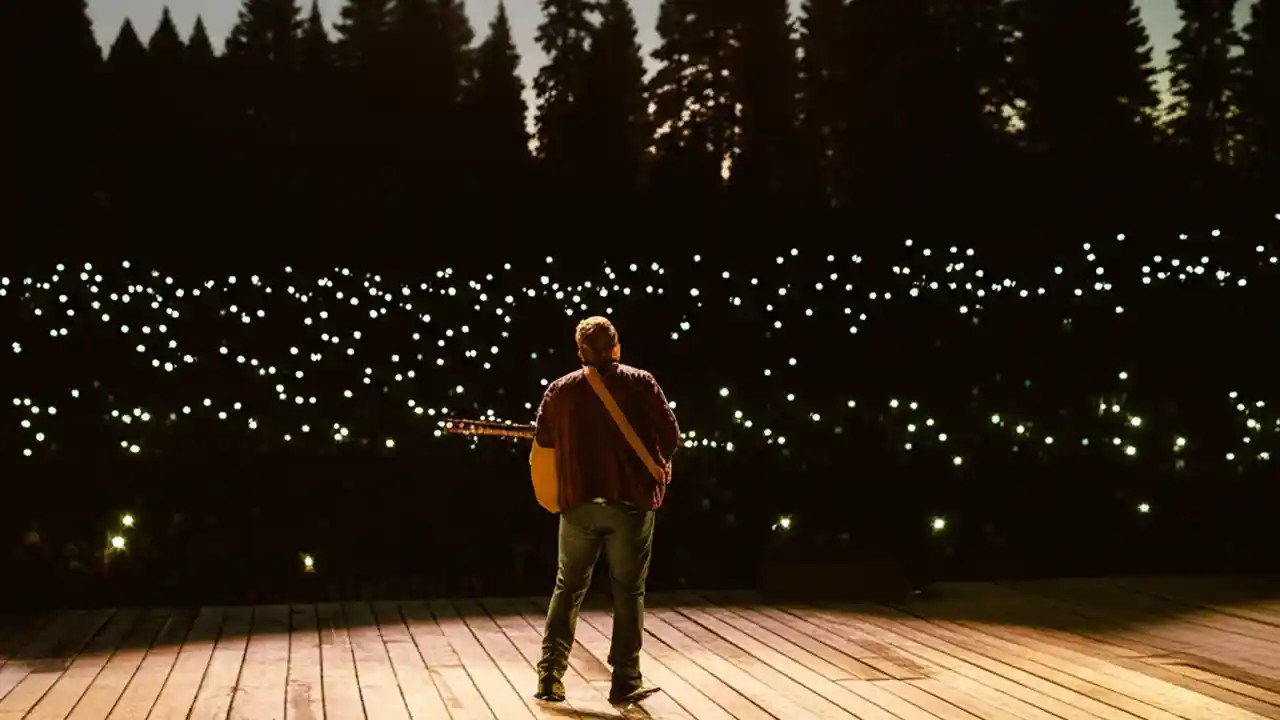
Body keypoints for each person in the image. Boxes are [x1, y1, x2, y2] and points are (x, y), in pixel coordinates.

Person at [532, 316, 680, 705]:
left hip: (578, 503)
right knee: (628, 591)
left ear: (580, 352)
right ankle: (625, 680)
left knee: (567, 588)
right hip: (630, 503)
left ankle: (550, 675)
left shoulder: (560, 390)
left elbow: (543, 443)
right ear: (616, 348)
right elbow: (671, 435)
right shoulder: (642, 383)